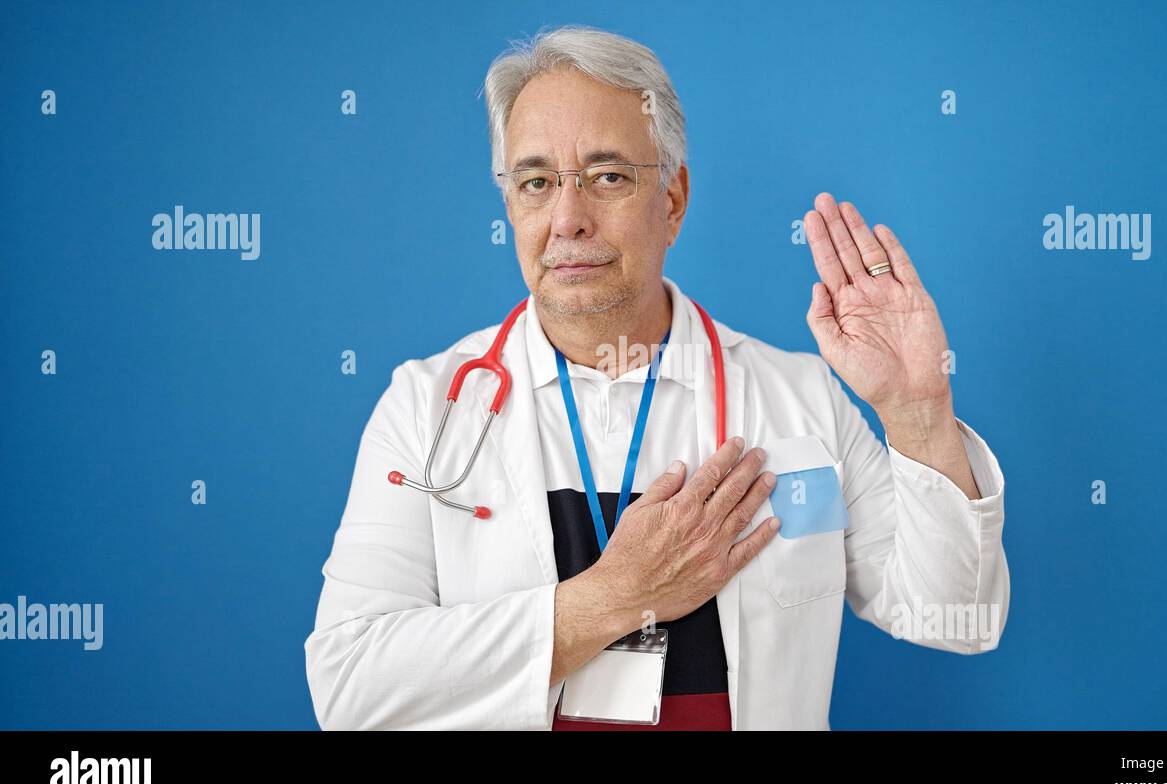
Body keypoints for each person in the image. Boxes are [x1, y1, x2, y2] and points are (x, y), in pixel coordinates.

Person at [304, 24, 1010, 730]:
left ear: (671, 201)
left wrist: (918, 411)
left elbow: (959, 615)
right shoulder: (427, 409)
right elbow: (351, 688)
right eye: (537, 182)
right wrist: (614, 597)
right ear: (510, 204)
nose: (568, 219)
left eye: (607, 176)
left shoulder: (800, 403)